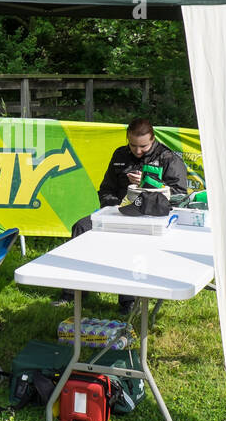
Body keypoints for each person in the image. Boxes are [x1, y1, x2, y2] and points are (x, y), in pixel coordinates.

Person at [61, 117, 189, 314]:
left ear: (153, 139)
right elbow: (106, 189)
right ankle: (72, 293)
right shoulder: (120, 154)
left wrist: (149, 183)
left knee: (131, 241)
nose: (137, 151)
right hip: (118, 212)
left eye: (143, 147)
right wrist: (113, 208)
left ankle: (129, 301)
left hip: (152, 217)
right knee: (81, 227)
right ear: (127, 139)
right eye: (133, 145)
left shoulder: (168, 158)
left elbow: (180, 195)